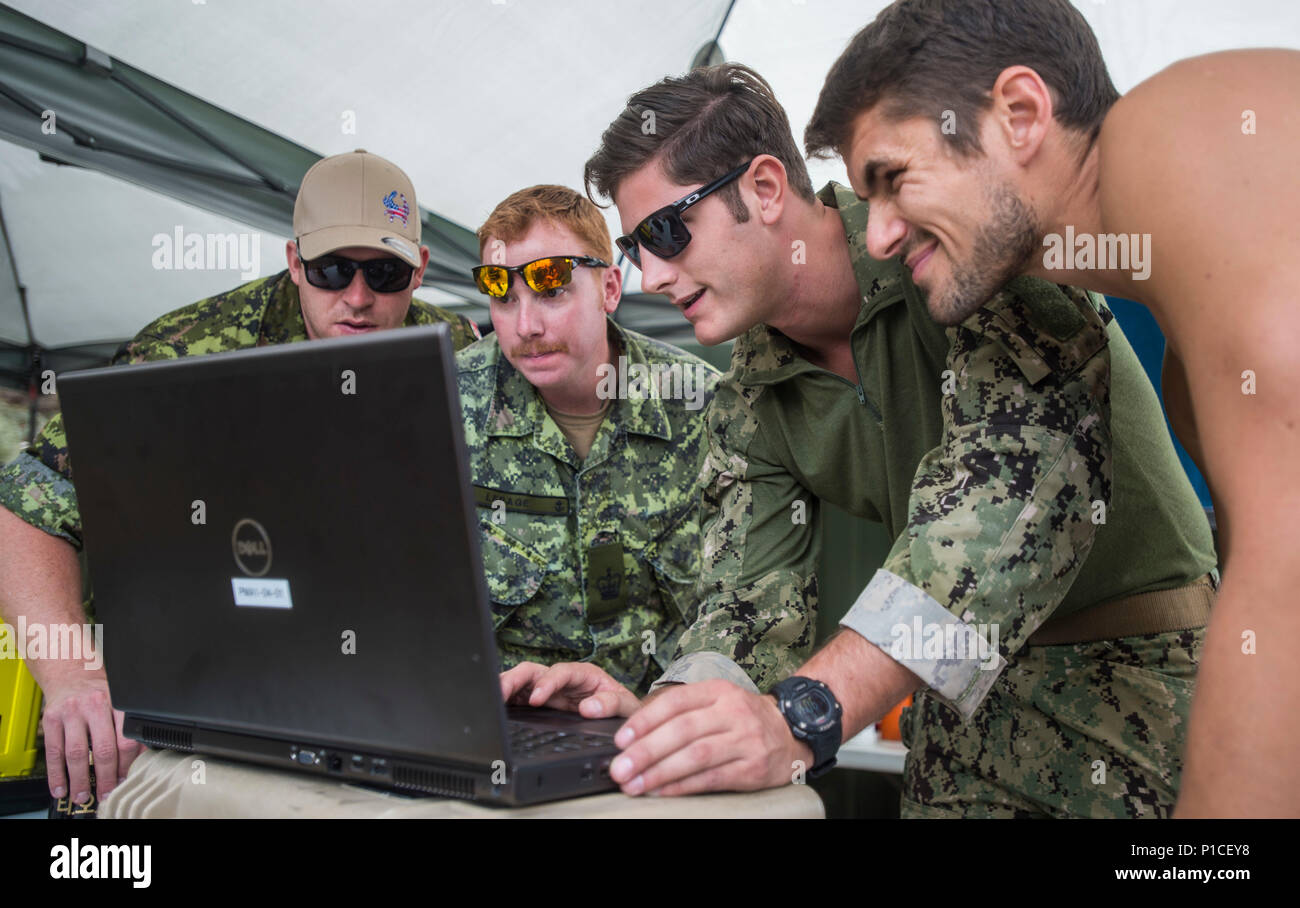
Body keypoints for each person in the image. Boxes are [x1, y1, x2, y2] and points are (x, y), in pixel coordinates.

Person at [507, 63, 1217, 817]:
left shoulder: (953, 250)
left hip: (1141, 696)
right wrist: (671, 716)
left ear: (766, 188)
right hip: (957, 715)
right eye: (632, 247)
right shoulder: (751, 394)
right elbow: (748, 606)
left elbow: (1002, 525)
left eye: (666, 232)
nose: (650, 275)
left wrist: (806, 713)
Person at [801, 0, 1299, 817]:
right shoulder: (1180, 334)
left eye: (892, 177)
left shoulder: (1165, 136)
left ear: (1021, 114)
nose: (876, 235)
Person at [0, 148, 477, 807]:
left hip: (391, 699)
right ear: (293, 262)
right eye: (332, 270)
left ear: (420, 270)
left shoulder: (464, 357)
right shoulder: (188, 349)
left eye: (386, 273)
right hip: (208, 695)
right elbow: (24, 511)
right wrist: (74, 676)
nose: (359, 297)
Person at [463, 185, 718, 696]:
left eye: (552, 289)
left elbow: (741, 599)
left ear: (609, 289)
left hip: (659, 723)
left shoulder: (700, 406)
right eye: (503, 298)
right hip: (499, 723)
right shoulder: (447, 406)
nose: (526, 326)